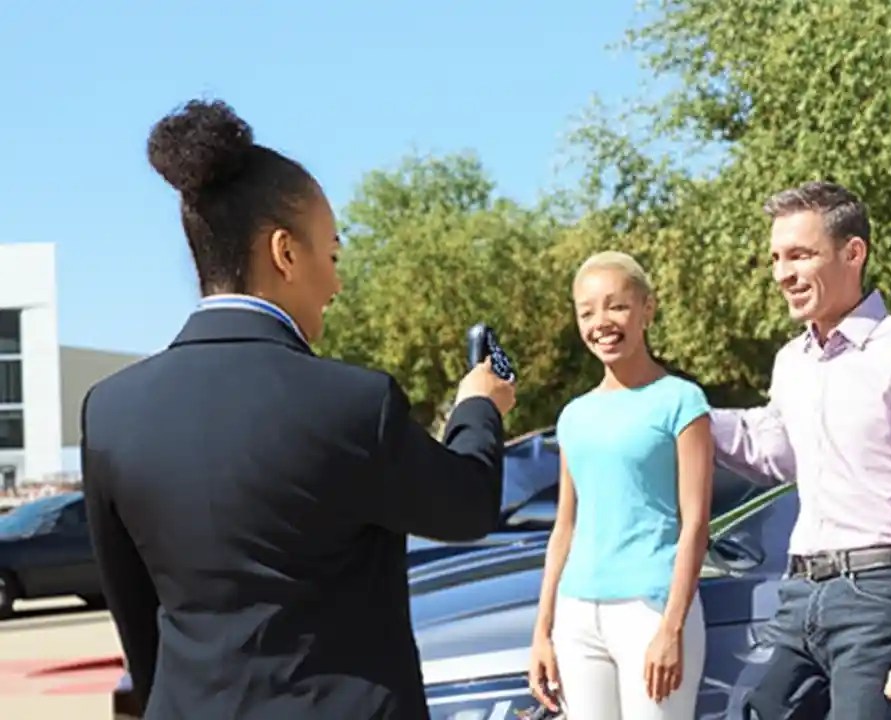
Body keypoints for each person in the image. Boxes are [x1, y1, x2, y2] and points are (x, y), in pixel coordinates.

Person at [81, 98, 516, 720]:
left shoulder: (111, 411)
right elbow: (467, 505)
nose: (337, 283)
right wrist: (479, 405)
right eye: (332, 255)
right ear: (285, 252)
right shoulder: (355, 403)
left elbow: (136, 618)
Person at [711, 181, 891, 718]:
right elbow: (775, 452)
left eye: (800, 255)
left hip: (880, 596)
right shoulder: (794, 361)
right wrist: (680, 414)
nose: (782, 274)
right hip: (800, 596)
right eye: (776, 258)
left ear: (853, 252)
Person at [527, 251, 714, 720]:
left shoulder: (681, 401)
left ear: (647, 309)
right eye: (587, 311)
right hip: (578, 615)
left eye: (616, 306)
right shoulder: (575, 415)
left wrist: (672, 627)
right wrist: (542, 630)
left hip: (650, 610)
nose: (601, 322)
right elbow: (565, 526)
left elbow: (695, 525)